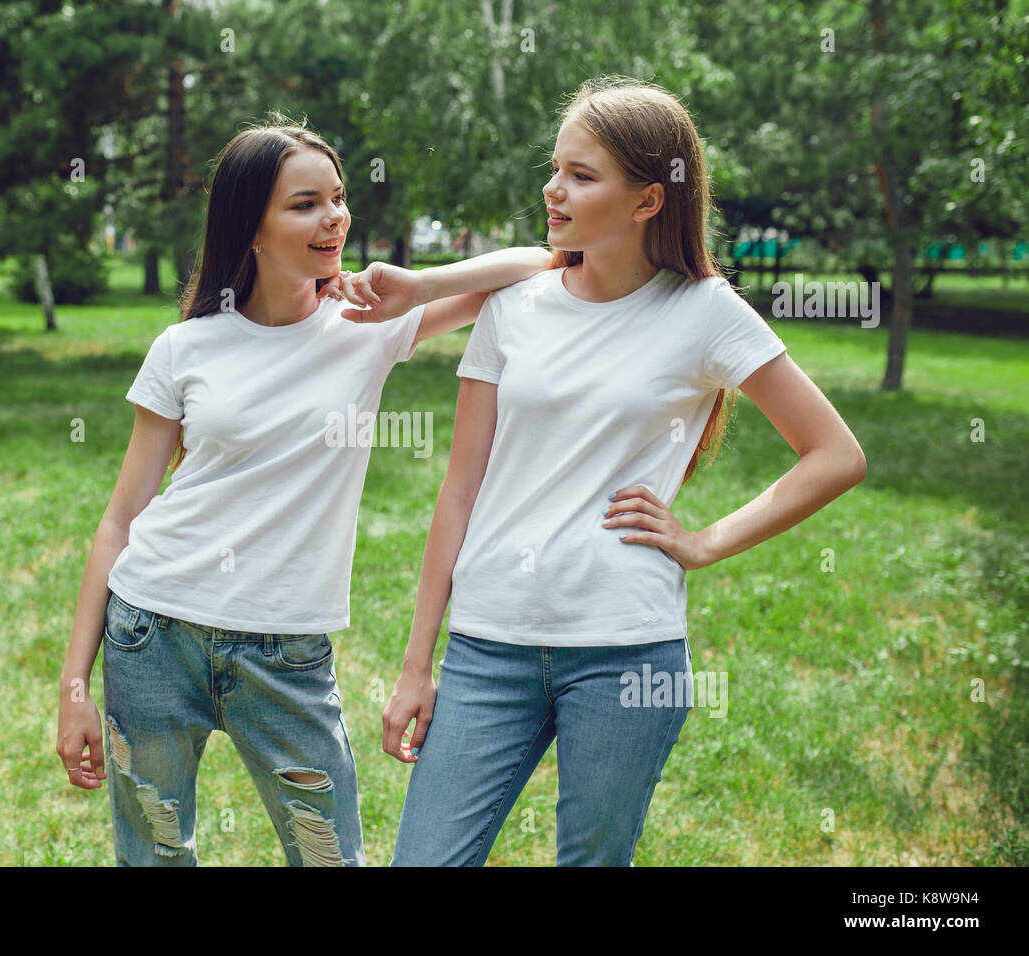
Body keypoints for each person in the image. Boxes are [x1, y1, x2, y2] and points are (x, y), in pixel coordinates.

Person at [379, 77, 868, 866]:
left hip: (626, 652)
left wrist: (705, 541)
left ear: (648, 200)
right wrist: (414, 667)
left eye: (581, 174)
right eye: (555, 168)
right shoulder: (515, 305)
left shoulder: (706, 311)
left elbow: (837, 454)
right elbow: (459, 490)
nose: (553, 187)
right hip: (487, 643)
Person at [54, 115, 553, 866]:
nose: (334, 218)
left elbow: (542, 263)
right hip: (152, 635)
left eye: (339, 198)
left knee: (330, 857)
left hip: (286, 653)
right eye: (305, 203)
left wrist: (417, 285)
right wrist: (74, 690)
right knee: (154, 856)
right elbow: (121, 519)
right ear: (249, 224)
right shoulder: (184, 347)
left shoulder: (367, 326)